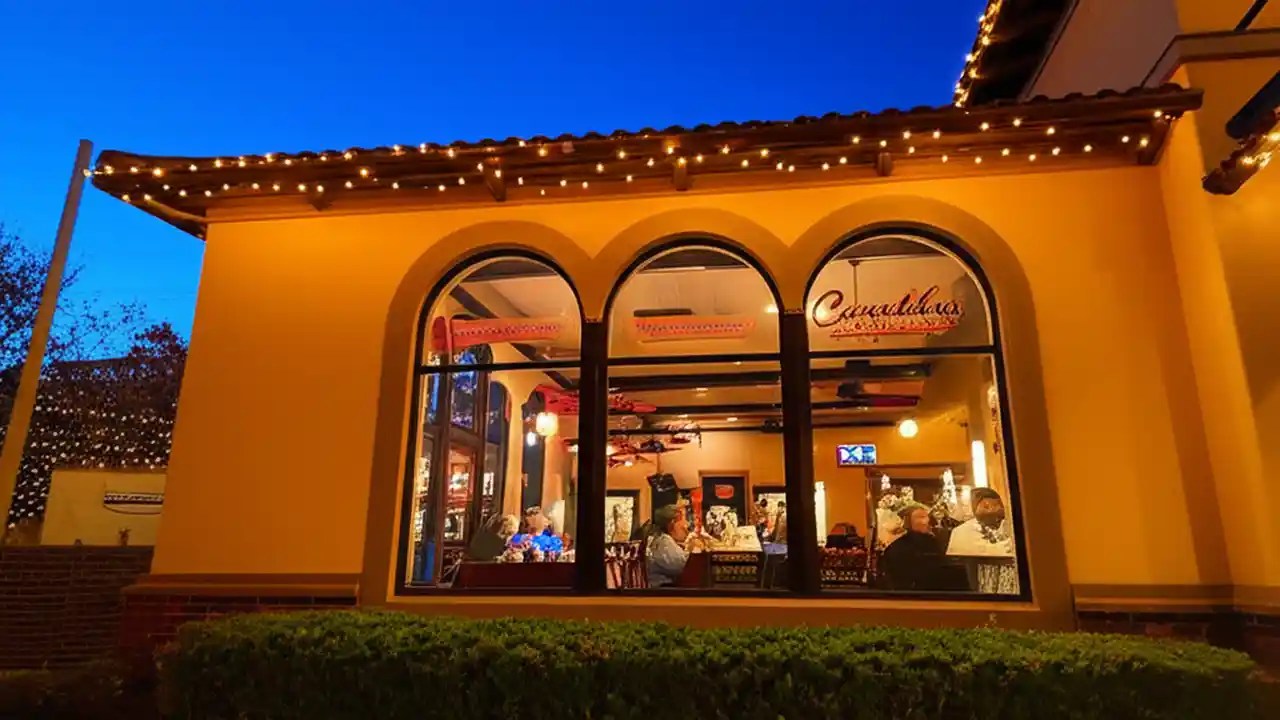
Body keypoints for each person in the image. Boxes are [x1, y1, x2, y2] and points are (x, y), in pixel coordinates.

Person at [946, 487, 1019, 594]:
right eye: (987, 506)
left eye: (998, 504)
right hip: (976, 586)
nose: (997, 509)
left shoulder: (1004, 525)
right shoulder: (963, 530)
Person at [879, 504, 962, 591]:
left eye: (926, 516)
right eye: (920, 517)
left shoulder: (933, 542)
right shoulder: (897, 546)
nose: (926, 520)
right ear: (908, 521)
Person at [646, 504, 690, 587]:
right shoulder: (664, 542)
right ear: (672, 523)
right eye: (684, 519)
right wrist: (691, 549)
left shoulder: (659, 538)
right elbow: (681, 566)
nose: (686, 525)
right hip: (661, 592)